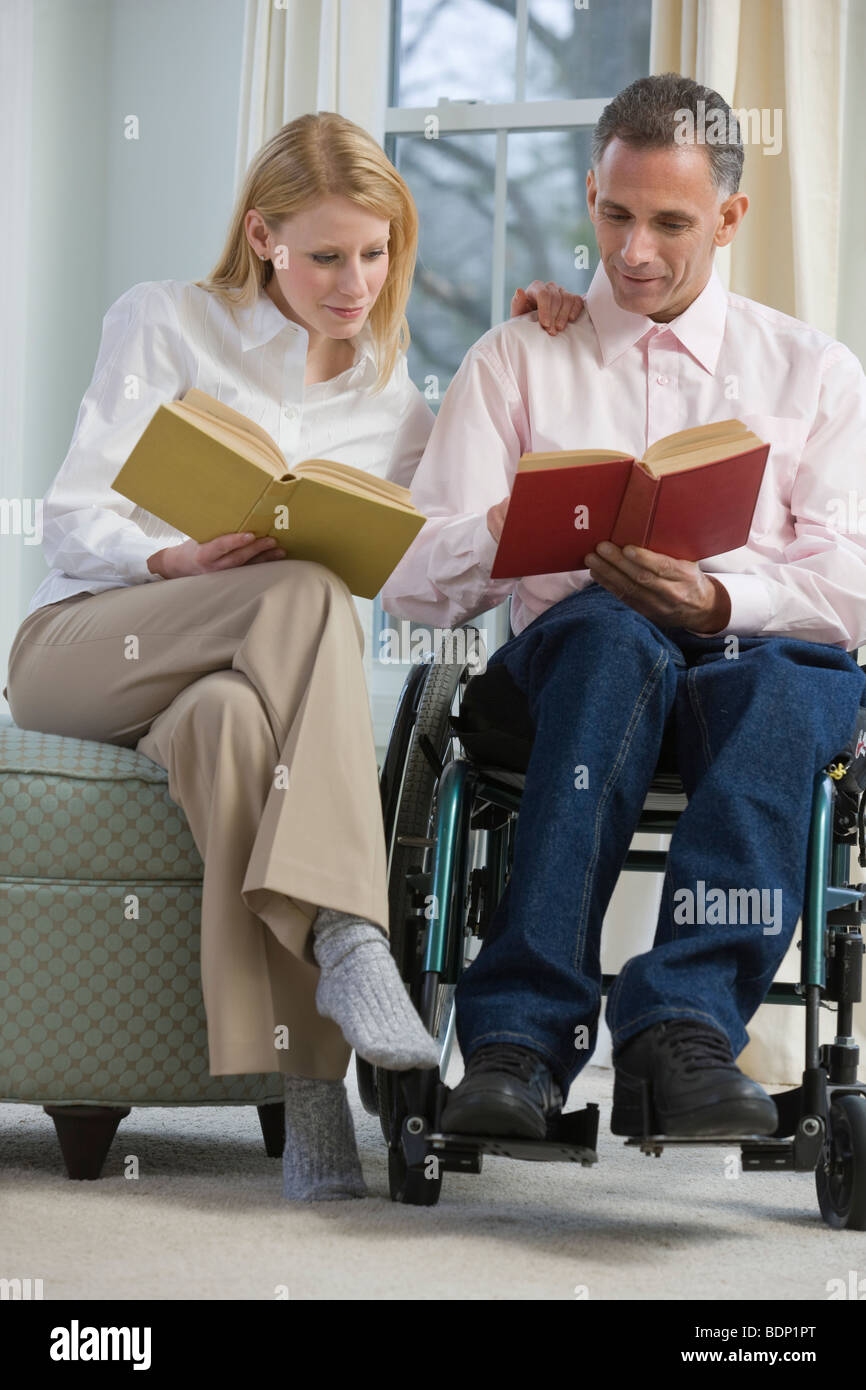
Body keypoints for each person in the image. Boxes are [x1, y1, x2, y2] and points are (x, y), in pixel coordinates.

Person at [2, 111, 582, 1199]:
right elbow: (71, 512)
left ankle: (310, 1101)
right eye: (326, 254)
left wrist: (534, 357)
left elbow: (428, 566)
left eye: (375, 252)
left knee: (232, 730)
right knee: (306, 590)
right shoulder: (165, 322)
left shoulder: (390, 404)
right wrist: (174, 558)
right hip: (87, 644)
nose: (355, 282)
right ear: (263, 237)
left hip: (221, 685)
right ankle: (352, 930)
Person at [381, 74, 866, 1142]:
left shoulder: (813, 371)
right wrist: (521, 522)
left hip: (745, 669)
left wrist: (717, 596)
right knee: (605, 635)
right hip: (567, 679)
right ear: (589, 195)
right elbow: (410, 576)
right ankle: (515, 1040)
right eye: (612, 213)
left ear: (729, 218)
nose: (632, 251)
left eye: (669, 223)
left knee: (792, 686)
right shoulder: (516, 355)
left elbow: (848, 585)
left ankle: (680, 1033)